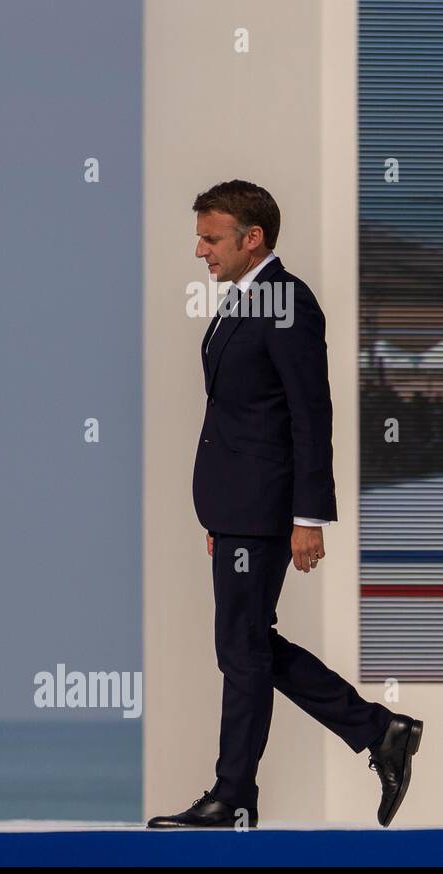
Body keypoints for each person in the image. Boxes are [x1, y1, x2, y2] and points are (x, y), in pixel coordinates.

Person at [148, 180, 423, 829]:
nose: (200, 251)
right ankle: (378, 732)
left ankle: (234, 794)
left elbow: (309, 413)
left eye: (211, 238)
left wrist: (308, 517)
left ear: (253, 238)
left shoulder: (287, 302)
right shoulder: (244, 299)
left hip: (266, 508)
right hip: (237, 509)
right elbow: (239, 413)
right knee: (246, 644)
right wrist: (221, 514)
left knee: (242, 648)